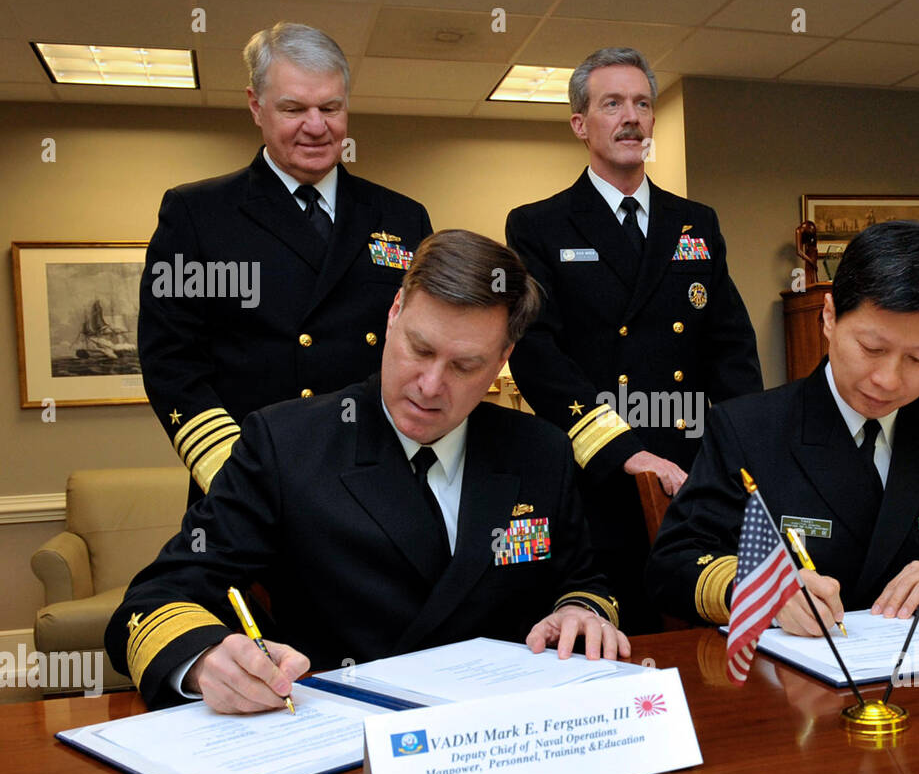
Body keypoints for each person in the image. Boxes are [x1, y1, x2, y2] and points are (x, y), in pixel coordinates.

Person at [108, 230, 626, 711]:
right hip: (342, 744)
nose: (429, 385)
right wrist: (202, 662)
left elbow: (583, 579)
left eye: (465, 366)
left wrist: (582, 612)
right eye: (419, 349)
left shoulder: (540, 450)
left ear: (503, 358)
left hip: (501, 737)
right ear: (394, 313)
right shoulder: (287, 444)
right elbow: (160, 596)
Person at [646, 220, 919, 633]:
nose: (888, 379)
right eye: (872, 348)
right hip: (796, 684)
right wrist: (765, 589)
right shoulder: (748, 429)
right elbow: (674, 564)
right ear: (830, 316)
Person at [505, 47, 762, 633]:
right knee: (623, 632)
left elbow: (730, 346)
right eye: (612, 103)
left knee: (711, 631)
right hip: (598, 467)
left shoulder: (696, 221)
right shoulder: (539, 224)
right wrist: (624, 451)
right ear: (580, 124)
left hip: (694, 468)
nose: (631, 117)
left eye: (643, 104)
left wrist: (744, 449)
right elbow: (537, 353)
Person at [138, 22, 432, 506]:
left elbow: (423, 347)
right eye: (294, 109)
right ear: (256, 106)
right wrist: (237, 472)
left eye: (331, 108)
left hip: (376, 477)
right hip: (250, 476)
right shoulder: (198, 214)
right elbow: (171, 361)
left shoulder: (402, 216)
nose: (316, 126)